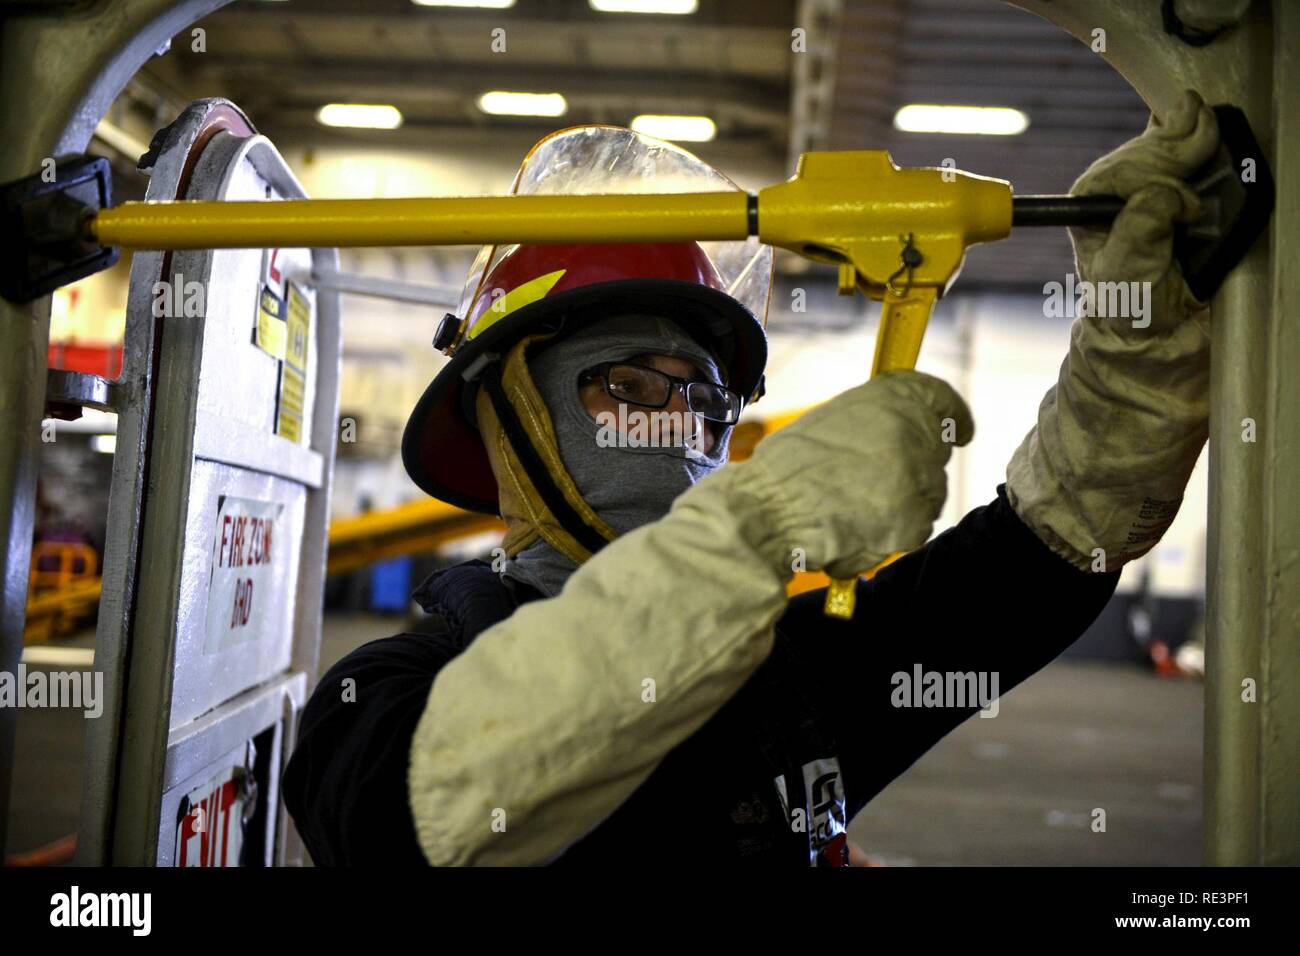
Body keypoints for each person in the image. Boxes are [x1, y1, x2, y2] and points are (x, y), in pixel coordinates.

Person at [283, 92, 1218, 866]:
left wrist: (1135, 353)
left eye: (701, 399)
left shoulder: (788, 669)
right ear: (508, 414)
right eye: (628, 386)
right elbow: (428, 820)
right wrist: (759, 529)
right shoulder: (377, 696)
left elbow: (1041, 561)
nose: (674, 424)